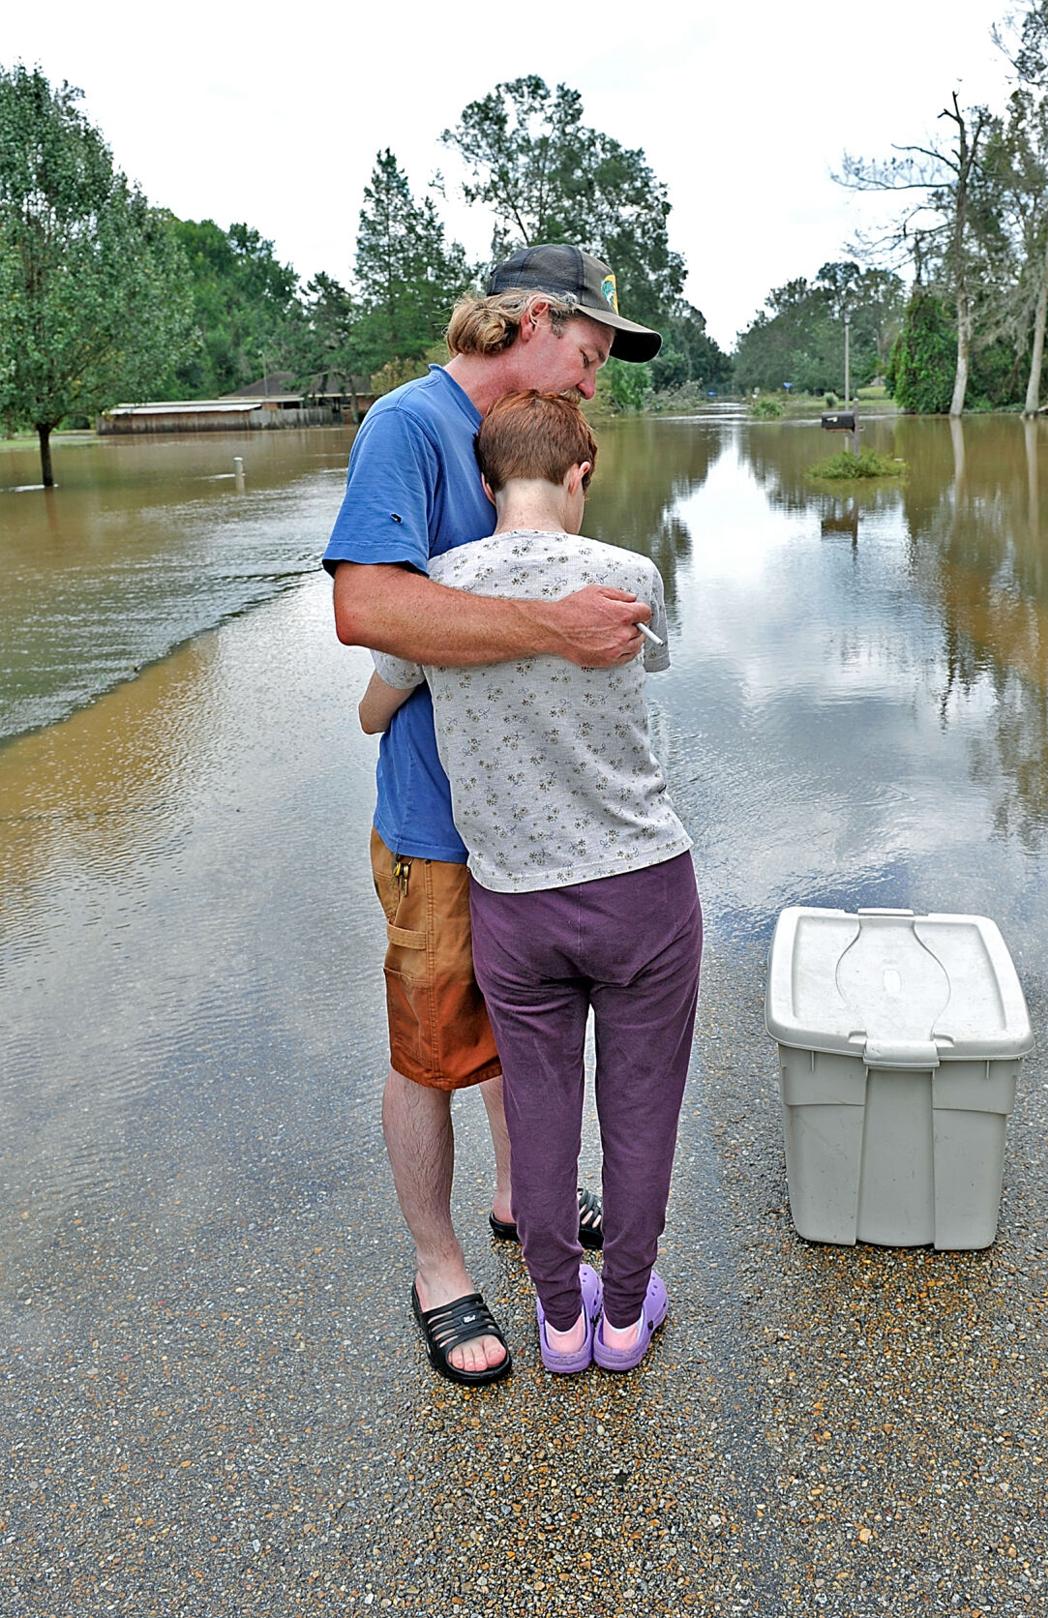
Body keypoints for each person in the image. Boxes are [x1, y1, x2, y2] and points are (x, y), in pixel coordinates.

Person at [325, 244, 663, 1386]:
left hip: (530, 828)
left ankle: (527, 1199)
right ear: (528, 322)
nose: (592, 378)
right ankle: (439, 1266)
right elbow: (365, 605)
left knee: (530, 1033)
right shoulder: (408, 429)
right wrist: (552, 625)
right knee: (428, 1052)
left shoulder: (512, 448)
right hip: (436, 825)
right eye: (588, 349)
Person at [362, 390, 703, 1375]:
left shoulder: (438, 590)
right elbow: (654, 663)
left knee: (544, 1114)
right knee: (642, 1109)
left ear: (482, 483)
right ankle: (627, 1316)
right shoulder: (626, 573)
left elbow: (378, 706)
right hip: (643, 888)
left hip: (516, 902)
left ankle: (560, 1321)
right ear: (581, 474)